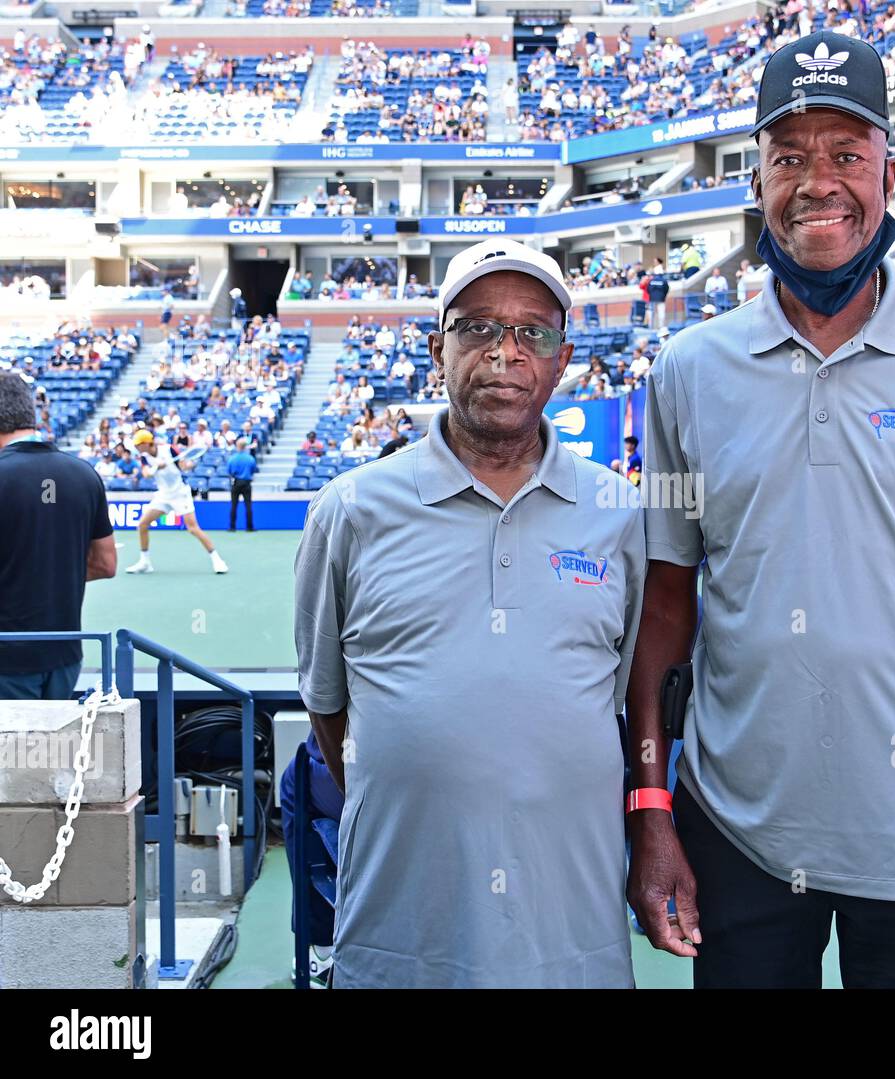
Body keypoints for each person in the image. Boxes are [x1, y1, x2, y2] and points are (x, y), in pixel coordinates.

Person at [628, 30, 895, 989]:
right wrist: (652, 808)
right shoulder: (688, 374)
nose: (815, 181)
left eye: (845, 155)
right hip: (738, 836)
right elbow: (667, 601)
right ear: (756, 180)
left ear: (889, 173)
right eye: (789, 156)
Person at [294, 239, 645, 989]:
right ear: (437, 348)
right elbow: (329, 707)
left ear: (562, 358)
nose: (505, 352)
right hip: (402, 941)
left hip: (571, 944)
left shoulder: (619, 512)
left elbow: (615, 698)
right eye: (478, 328)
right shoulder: (351, 509)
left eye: (533, 332)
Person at [0, 374, 116, 699]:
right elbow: (106, 564)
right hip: (65, 656)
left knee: (14, 751)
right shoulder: (83, 473)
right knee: (53, 750)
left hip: (7, 661)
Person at [124, 429, 228, 574]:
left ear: (147, 443)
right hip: (163, 496)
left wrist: (190, 464)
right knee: (142, 524)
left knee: (193, 528)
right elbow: (146, 474)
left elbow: (184, 466)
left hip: (180, 493)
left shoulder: (169, 449)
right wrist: (157, 467)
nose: (136, 447)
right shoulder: (144, 457)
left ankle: (217, 560)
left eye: (138, 444)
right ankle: (145, 562)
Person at [227, 437, 256, 532]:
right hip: (247, 483)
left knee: (234, 505)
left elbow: (229, 471)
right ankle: (249, 527)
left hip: (236, 482)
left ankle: (232, 527)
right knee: (248, 505)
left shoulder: (232, 458)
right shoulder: (250, 459)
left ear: (237, 446)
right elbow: (253, 470)